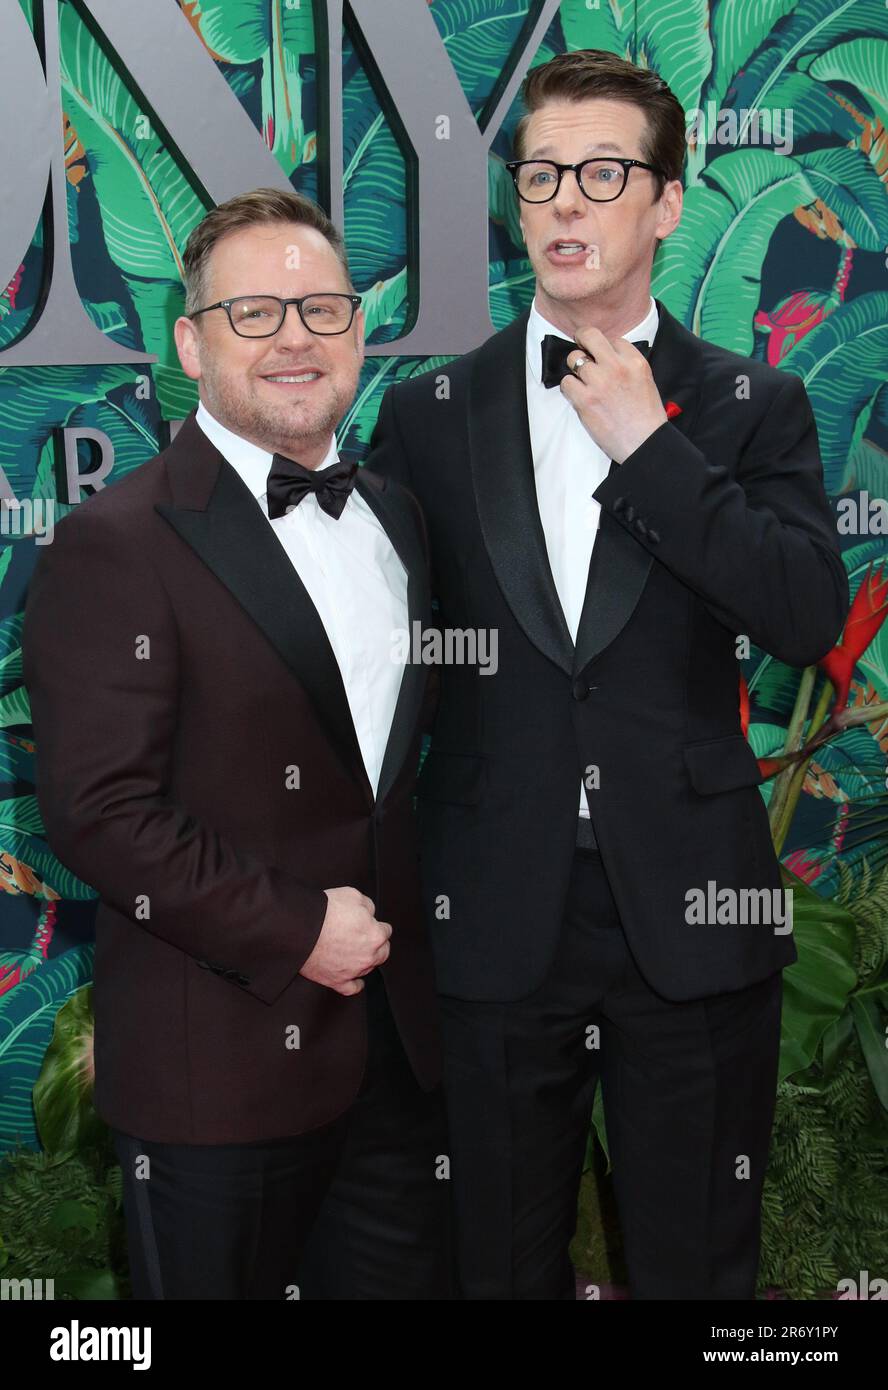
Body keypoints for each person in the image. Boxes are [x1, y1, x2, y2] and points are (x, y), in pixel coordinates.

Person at [366, 50, 848, 1300]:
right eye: (540, 176)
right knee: (495, 1266)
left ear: (669, 202)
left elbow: (802, 615)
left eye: (601, 172)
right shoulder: (429, 411)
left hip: (689, 913)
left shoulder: (754, 405)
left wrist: (651, 450)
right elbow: (364, 660)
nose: (567, 203)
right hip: (490, 911)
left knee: (697, 1267)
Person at [23, 187, 451, 1300]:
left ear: (359, 329)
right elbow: (97, 811)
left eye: (322, 307)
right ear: (190, 342)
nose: (296, 337)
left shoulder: (398, 518)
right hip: (217, 1075)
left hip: (401, 1068)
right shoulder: (115, 542)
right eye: (254, 312)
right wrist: (300, 927)